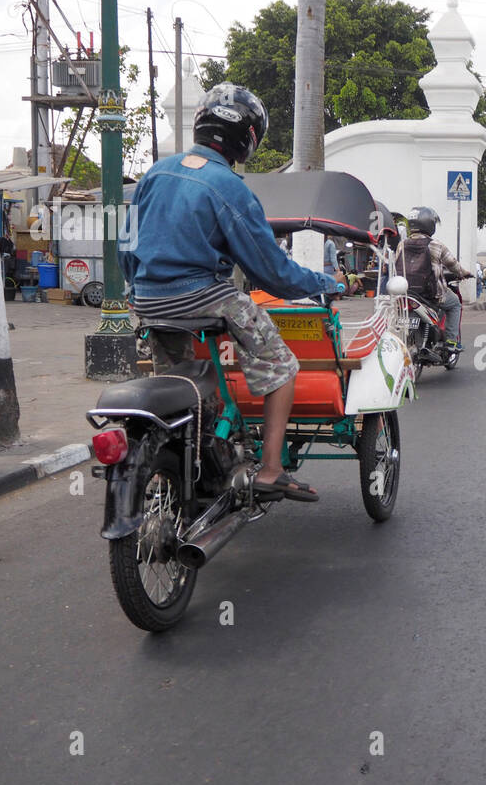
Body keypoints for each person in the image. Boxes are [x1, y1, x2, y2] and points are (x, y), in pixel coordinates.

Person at [122, 82, 341, 503]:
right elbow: (272, 273)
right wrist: (324, 283)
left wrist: (138, 289)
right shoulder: (230, 188)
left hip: (149, 301)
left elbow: (125, 242)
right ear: (248, 139)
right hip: (203, 297)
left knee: (180, 380)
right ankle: (272, 470)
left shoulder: (154, 173)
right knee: (281, 366)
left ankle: (196, 457)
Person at [403, 206, 473, 348]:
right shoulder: (435, 245)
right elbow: (452, 264)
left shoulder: (401, 244)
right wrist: (463, 273)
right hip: (431, 294)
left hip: (406, 293)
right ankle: (451, 341)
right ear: (429, 224)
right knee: (455, 305)